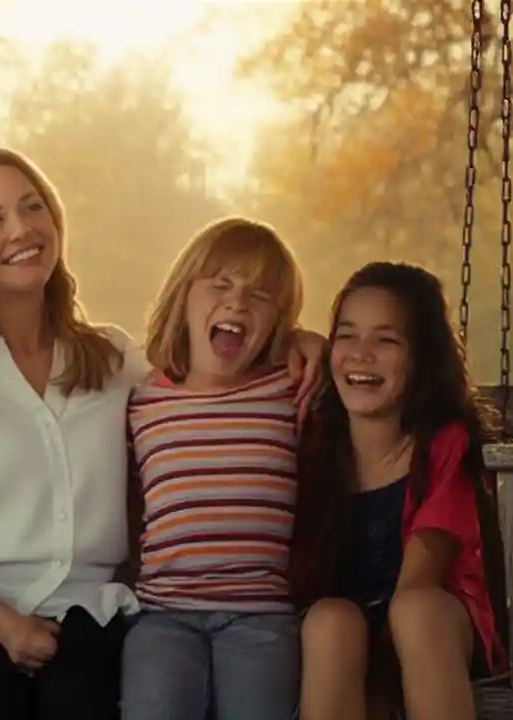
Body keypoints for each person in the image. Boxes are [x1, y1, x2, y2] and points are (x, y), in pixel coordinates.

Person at [0, 148, 326, 720]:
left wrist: (296, 340)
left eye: (32, 207)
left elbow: (205, 382)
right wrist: (6, 627)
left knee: (80, 702)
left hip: (87, 616)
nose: (21, 228)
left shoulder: (114, 359)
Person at [291, 261, 507, 720]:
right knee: (331, 620)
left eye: (386, 340)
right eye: (346, 335)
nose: (360, 353)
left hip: (434, 625)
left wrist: (385, 667)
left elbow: (428, 560)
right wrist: (301, 341)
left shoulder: (443, 442)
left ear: (422, 357)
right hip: (341, 630)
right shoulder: (315, 440)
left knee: (415, 609)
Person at [119, 217, 307, 720]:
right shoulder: (142, 400)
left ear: (278, 322)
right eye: (220, 284)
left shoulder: (287, 390)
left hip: (260, 614)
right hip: (164, 614)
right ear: (183, 296)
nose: (238, 303)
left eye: (260, 296)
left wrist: (312, 343)